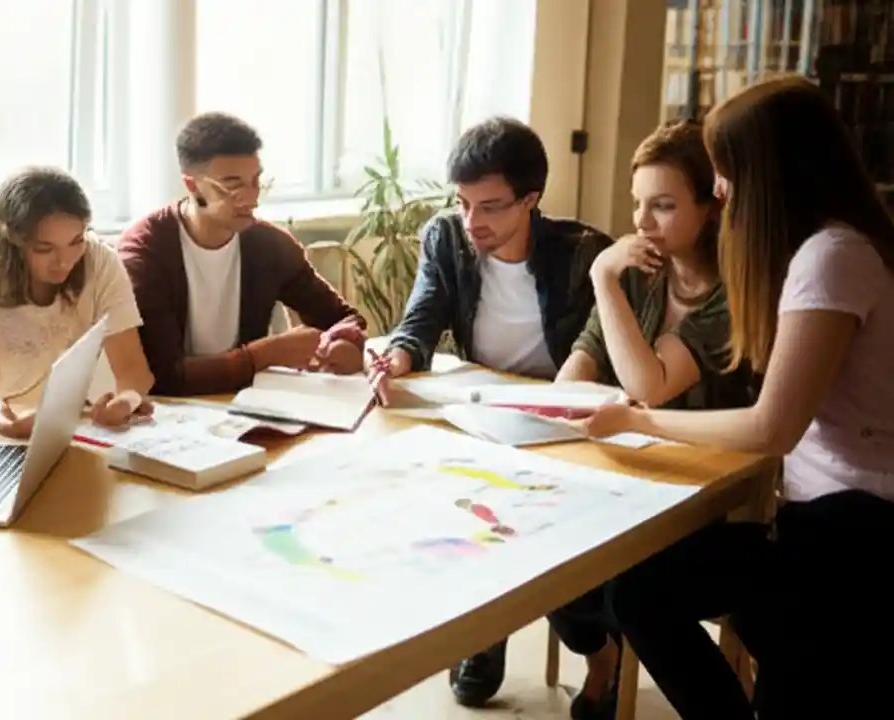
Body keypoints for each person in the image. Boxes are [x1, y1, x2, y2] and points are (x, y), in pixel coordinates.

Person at [583, 76, 894, 720]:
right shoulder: (822, 249)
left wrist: (644, 421)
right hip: (815, 520)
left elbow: (771, 428)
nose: (721, 190)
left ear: (773, 169)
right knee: (641, 589)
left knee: (652, 592)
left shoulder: (833, 256)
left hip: (857, 532)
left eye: (725, 172)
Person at [369, 116, 613, 708]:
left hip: (564, 417)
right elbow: (424, 311)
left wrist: (558, 404)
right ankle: (484, 632)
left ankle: (602, 658)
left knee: (554, 531)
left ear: (531, 200)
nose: (473, 222)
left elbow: (598, 347)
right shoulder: (446, 237)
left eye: (492, 207)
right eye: (463, 203)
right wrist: (398, 357)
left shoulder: (584, 254)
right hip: (481, 408)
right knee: (452, 506)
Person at [545, 120, 754, 720]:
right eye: (638, 204)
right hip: (635, 477)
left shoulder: (732, 293)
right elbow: (580, 367)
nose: (642, 222)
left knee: (625, 586)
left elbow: (649, 386)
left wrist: (601, 277)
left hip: (712, 499)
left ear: (711, 208)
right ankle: (600, 655)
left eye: (663, 206)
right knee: (543, 543)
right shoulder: (641, 271)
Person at [119, 111, 367, 396]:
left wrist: (344, 344)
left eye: (255, 182)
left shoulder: (269, 245)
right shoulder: (145, 252)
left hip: (246, 408)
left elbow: (343, 318)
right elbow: (162, 375)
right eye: (233, 185)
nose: (251, 198)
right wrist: (262, 355)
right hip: (168, 417)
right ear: (192, 185)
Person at [0, 166, 153, 435]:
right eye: (44, 248)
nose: (65, 261)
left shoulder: (100, 261)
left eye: (76, 241)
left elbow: (134, 369)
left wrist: (126, 400)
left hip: (61, 430)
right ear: (12, 241)